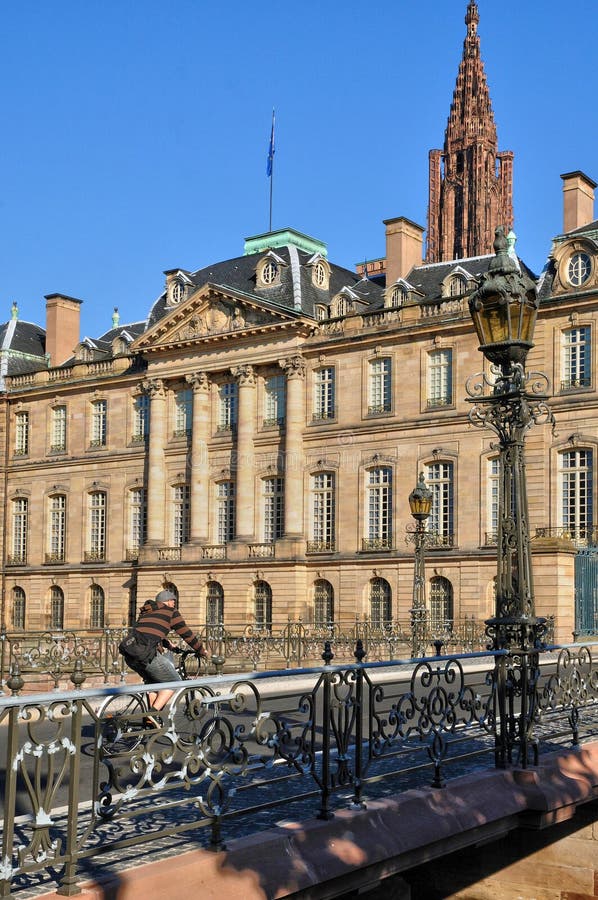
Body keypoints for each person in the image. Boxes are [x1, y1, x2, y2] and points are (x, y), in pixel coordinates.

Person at [123, 589, 207, 728]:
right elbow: (186, 633)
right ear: (166, 601)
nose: (174, 603)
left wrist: (168, 644)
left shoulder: (147, 612)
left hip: (130, 653)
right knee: (174, 682)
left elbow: (149, 633)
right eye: (173, 600)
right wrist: (201, 650)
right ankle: (151, 714)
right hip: (146, 655)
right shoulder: (171, 612)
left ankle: (150, 721)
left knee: (153, 683)